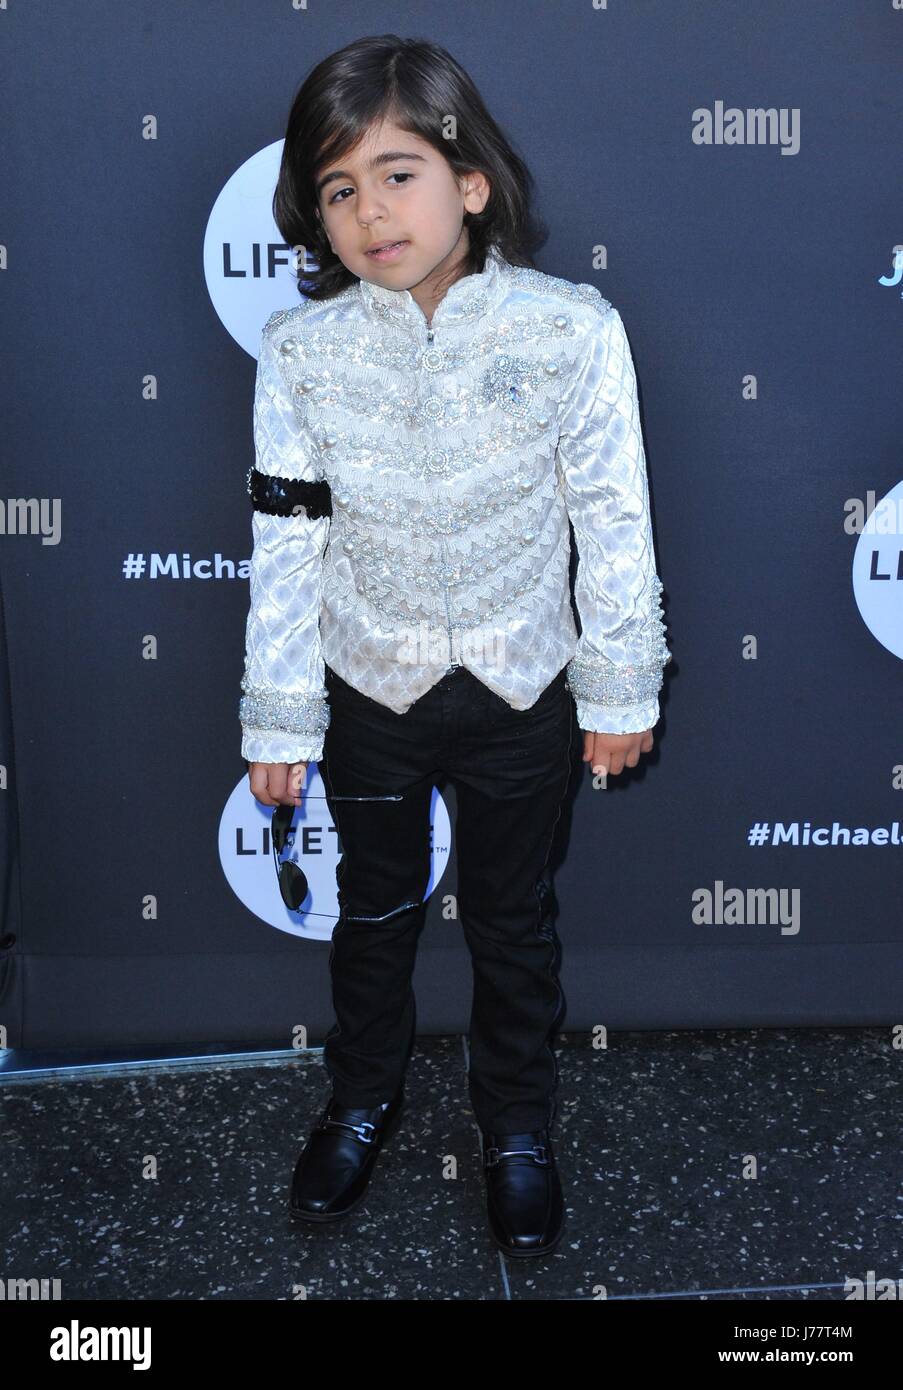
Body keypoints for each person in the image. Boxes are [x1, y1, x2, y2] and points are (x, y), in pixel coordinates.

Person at [239, 34, 671, 1259]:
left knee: (511, 920)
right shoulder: (300, 355)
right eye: (336, 188)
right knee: (369, 915)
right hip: (368, 684)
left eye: (396, 173)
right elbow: (285, 540)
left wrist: (618, 682)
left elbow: (615, 521)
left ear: (469, 180)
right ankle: (361, 1100)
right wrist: (278, 718)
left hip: (525, 684)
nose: (369, 211)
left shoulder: (570, 331)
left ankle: (517, 1128)